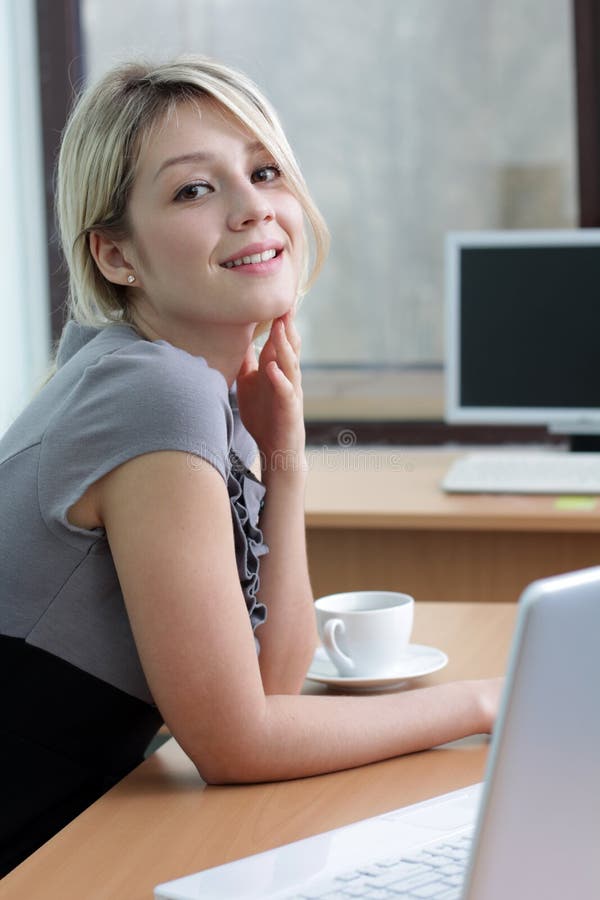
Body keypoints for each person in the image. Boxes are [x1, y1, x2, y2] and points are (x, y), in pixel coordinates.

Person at [0, 56, 502, 874]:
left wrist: (285, 466)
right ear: (115, 256)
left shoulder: (167, 374)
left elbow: (269, 688)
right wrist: (487, 700)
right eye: (194, 190)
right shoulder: (151, 389)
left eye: (264, 171)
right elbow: (238, 742)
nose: (252, 208)